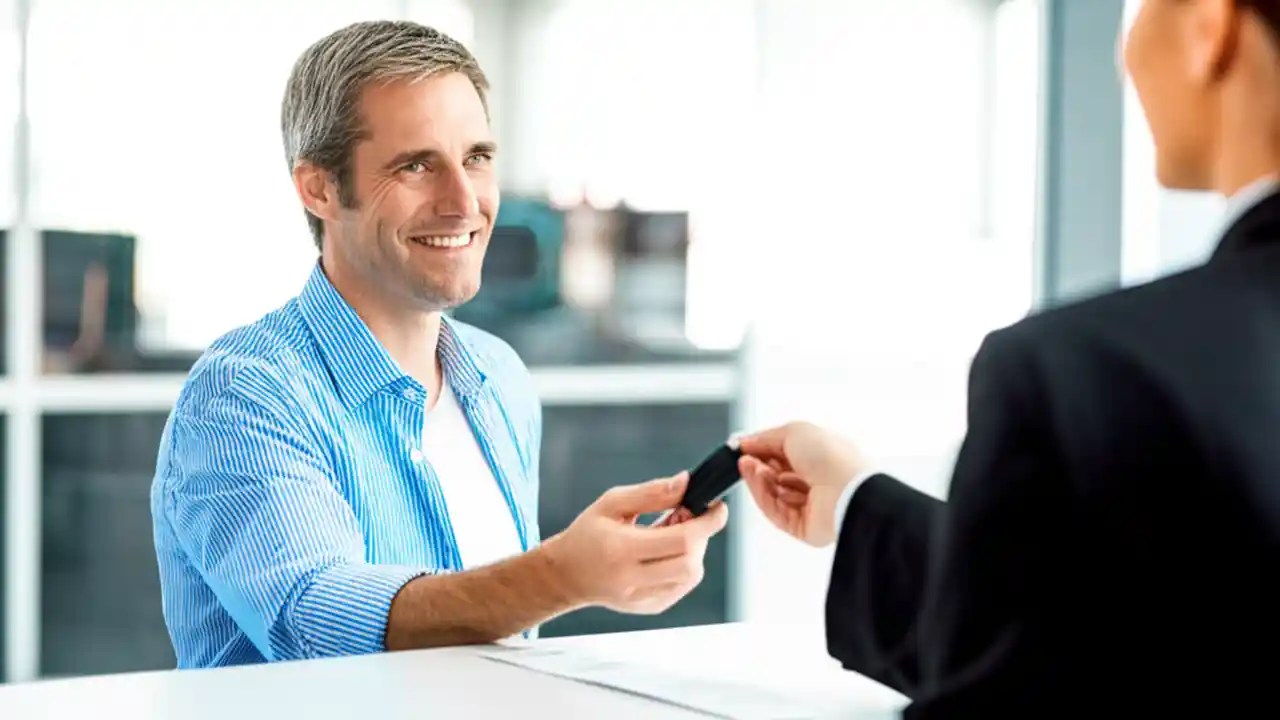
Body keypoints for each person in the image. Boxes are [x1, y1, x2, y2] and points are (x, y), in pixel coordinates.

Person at [732, 1, 1280, 715]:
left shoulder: (1086, 375)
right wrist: (858, 501)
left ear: (1213, 27)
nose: (1124, 54)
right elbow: (1124, 625)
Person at [149, 20, 726, 669]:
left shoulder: (498, 377)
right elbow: (315, 622)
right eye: (417, 165)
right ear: (319, 188)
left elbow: (496, 637)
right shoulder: (245, 393)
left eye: (477, 158)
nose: (464, 202)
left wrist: (604, 569)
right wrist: (562, 577)